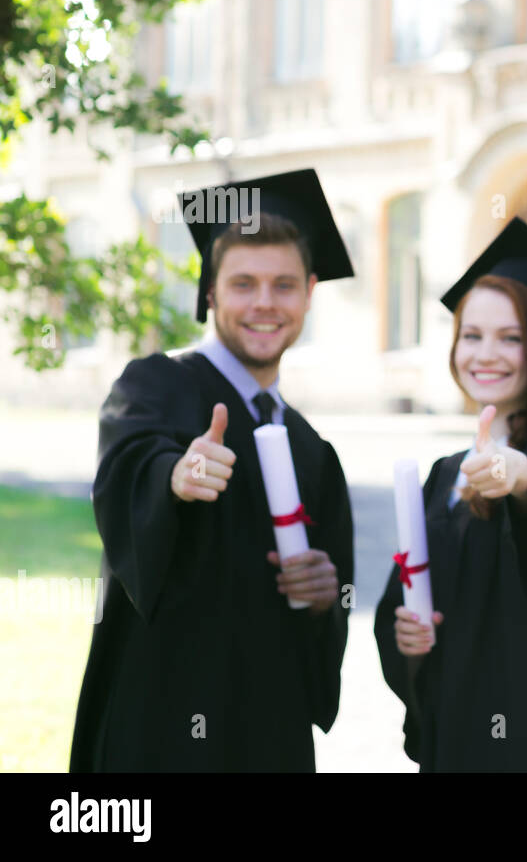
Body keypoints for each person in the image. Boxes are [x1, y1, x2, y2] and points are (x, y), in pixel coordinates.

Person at [70, 168, 356, 771]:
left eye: (283, 285)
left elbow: (325, 606)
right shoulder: (157, 384)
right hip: (161, 721)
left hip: (269, 731)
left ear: (309, 291)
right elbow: (127, 463)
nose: (264, 303)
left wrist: (326, 593)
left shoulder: (314, 449)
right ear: (209, 292)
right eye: (243, 283)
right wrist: (172, 476)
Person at [374, 217, 527, 772]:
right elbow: (405, 592)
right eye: (472, 335)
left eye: (512, 337)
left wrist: (517, 473)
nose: (486, 353)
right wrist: (406, 635)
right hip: (456, 732)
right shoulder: (442, 476)